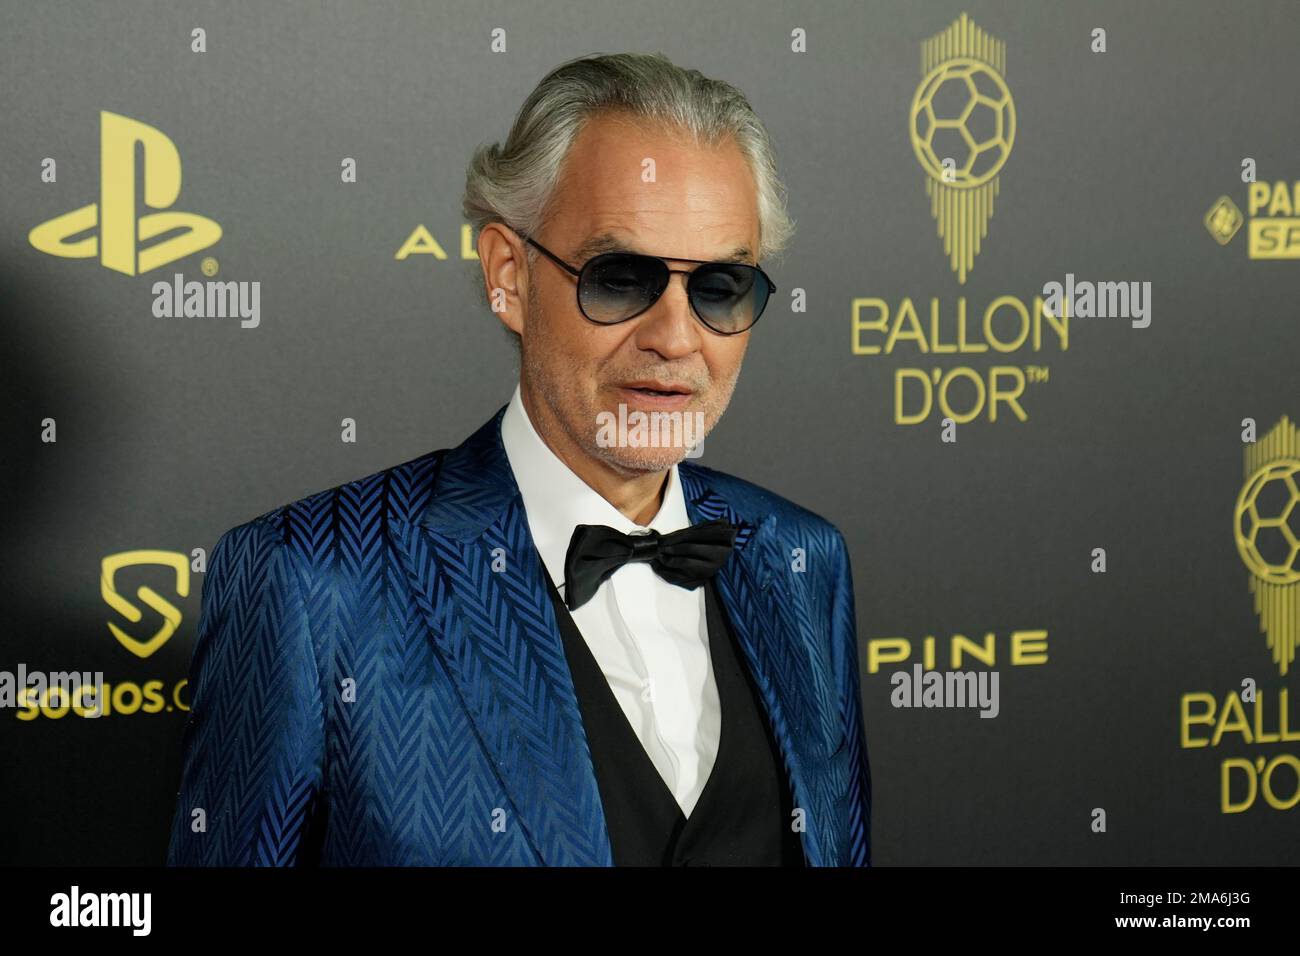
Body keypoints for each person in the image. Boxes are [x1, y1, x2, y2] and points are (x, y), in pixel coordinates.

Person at [166, 51, 871, 867]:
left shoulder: (801, 561)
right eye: (620, 279)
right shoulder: (309, 582)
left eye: (719, 286)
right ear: (509, 272)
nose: (677, 338)